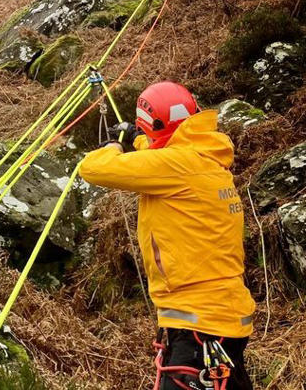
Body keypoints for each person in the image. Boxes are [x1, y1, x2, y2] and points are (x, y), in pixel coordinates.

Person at [79, 82, 255, 390]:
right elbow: (168, 153)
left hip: (199, 324)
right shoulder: (203, 158)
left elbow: (93, 168)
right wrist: (138, 141)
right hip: (224, 319)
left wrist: (115, 144)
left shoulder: (174, 167)